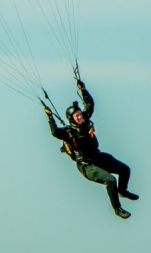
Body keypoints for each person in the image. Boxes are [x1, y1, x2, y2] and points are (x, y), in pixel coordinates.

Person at [45, 78, 138, 219]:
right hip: (87, 166)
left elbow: (90, 104)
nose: (80, 116)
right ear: (71, 118)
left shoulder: (86, 119)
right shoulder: (69, 133)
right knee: (111, 180)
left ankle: (122, 191)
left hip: (98, 157)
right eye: (77, 116)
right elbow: (54, 133)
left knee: (125, 169)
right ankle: (117, 209)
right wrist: (50, 118)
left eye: (80, 114)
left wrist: (83, 90)